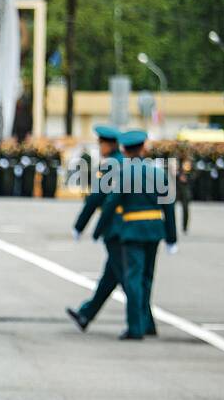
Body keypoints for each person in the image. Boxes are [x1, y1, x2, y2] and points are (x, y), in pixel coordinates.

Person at [114, 129, 177, 340]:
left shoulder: (123, 173)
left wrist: (97, 230)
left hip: (132, 230)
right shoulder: (158, 173)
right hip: (155, 230)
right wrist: (171, 237)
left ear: (124, 150)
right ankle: (146, 322)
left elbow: (111, 205)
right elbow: (169, 206)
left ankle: (135, 327)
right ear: (143, 148)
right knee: (147, 279)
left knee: (133, 279)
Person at [66, 125, 125, 332]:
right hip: (124, 227)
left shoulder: (110, 165)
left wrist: (80, 226)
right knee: (111, 277)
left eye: (101, 143)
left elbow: (96, 198)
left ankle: (143, 322)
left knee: (127, 278)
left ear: (109, 145)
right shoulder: (123, 162)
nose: (100, 147)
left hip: (116, 228)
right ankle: (86, 314)